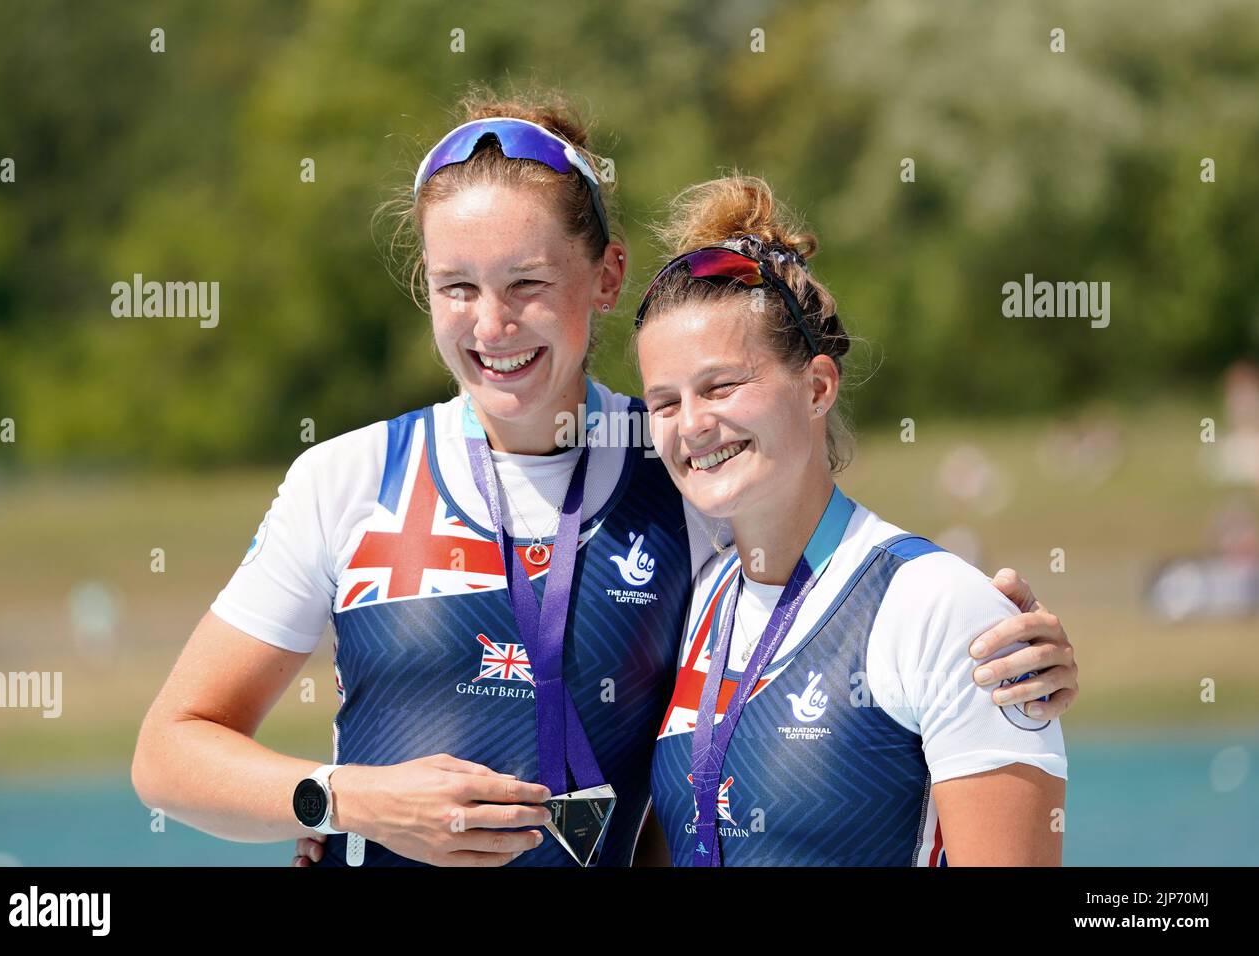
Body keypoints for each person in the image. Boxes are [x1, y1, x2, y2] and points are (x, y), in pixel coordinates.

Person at [129, 88, 1075, 868]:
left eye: (528, 283)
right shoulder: (347, 479)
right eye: (456, 287)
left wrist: (1003, 647)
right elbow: (169, 754)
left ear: (608, 275)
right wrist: (347, 799)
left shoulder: (683, 468)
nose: (492, 326)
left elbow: (834, 616)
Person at [635, 176, 1067, 865]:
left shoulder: (941, 607)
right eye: (664, 401)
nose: (692, 424)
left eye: (721, 386)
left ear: (816, 387)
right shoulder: (695, 601)